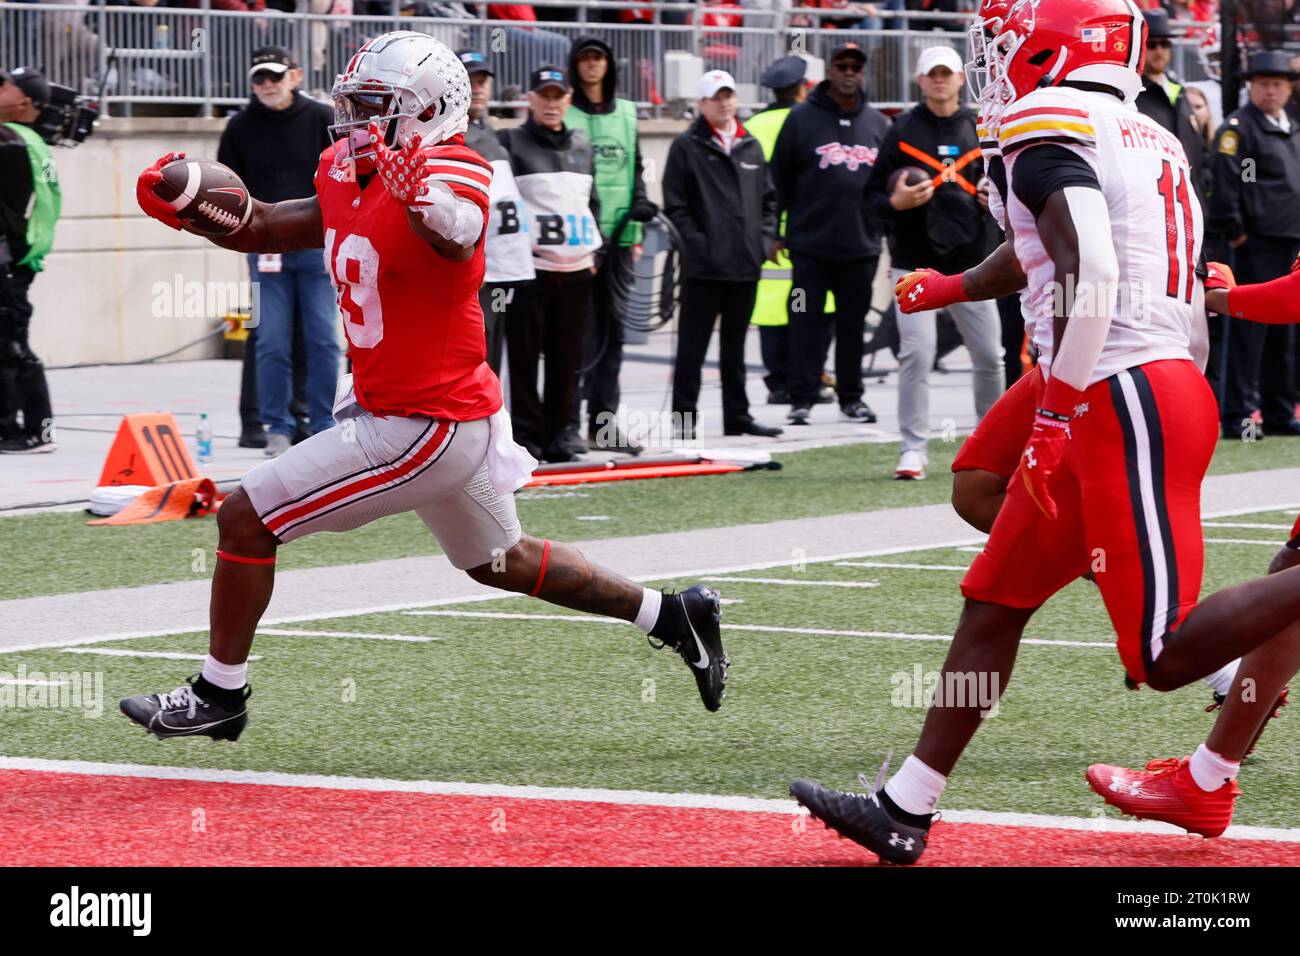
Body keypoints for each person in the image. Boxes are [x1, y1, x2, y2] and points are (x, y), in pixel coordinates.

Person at [790, 0, 1300, 865]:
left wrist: (1058, 407)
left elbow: (1089, 265)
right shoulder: (1148, 131)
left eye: (1004, 43)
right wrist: (957, 293)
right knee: (996, 597)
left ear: (1058, 43)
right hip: (1143, 381)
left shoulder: (1049, 116)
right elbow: (1054, 251)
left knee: (1161, 654)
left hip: (1122, 389)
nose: (997, 63)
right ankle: (906, 805)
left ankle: (1207, 696)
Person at [122, 33, 729, 743]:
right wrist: (199, 209)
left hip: (423, 422)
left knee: (245, 518)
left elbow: (458, 230)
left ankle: (219, 693)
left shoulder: (455, 167)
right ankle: (672, 613)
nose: (353, 118)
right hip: (432, 413)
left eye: (373, 105)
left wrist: (423, 203)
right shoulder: (350, 169)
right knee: (499, 561)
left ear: (426, 109)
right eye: (353, 102)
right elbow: (270, 225)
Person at [867, 45, 1004, 481]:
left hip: (973, 263)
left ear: (960, 78)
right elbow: (870, 196)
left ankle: (989, 443)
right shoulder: (901, 128)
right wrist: (896, 199)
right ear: (921, 80)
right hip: (912, 260)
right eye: (932, 74)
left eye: (947, 73)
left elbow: (1014, 184)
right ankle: (913, 447)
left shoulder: (983, 125)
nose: (940, 80)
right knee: (916, 355)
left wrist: (995, 198)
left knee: (990, 356)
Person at [218, 46, 339, 458]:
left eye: (275, 76)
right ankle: (278, 427)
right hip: (266, 250)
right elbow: (226, 188)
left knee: (323, 339)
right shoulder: (239, 126)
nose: (267, 85)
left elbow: (343, 173)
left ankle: (324, 424)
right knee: (271, 340)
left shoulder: (323, 118)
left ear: (296, 75)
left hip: (317, 246)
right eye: (259, 79)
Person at [770, 40, 890, 427]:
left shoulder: (879, 124)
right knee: (804, 320)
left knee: (853, 327)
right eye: (843, 65)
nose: (850, 71)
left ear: (863, 71)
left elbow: (887, 185)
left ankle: (851, 398)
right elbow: (777, 181)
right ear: (830, 71)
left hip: (860, 248)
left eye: (857, 65)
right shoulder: (801, 118)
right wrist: (774, 231)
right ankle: (801, 397)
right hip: (808, 249)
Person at [664, 70, 782, 440]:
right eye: (716, 97)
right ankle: (684, 424)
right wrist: (701, 248)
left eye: (728, 95)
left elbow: (769, 202)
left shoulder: (751, 144)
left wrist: (762, 244)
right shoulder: (686, 146)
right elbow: (676, 208)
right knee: (691, 350)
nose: (724, 102)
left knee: (735, 349)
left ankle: (738, 417)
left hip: (745, 265)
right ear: (702, 104)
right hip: (703, 269)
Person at [499, 66, 604, 463]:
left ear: (569, 98)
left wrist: (599, 251)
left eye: (558, 95)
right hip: (532, 271)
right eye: (544, 95)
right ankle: (527, 436)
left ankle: (562, 433)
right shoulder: (512, 142)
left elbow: (591, 204)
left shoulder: (583, 143)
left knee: (568, 358)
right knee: (524, 360)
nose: (551, 103)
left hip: (577, 271)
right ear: (530, 98)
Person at [565, 36, 658, 456]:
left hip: (620, 238)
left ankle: (603, 423)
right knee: (579, 335)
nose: (591, 66)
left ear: (608, 65)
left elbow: (636, 164)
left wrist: (640, 197)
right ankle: (567, 423)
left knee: (614, 334)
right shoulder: (565, 112)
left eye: (598, 58)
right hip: (580, 242)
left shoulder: (626, 113)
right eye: (584, 59)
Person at [1209, 50, 1300, 439]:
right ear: (1251, 86)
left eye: (1277, 85)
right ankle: (1240, 415)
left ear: (1288, 89)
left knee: (1285, 333)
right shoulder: (1238, 128)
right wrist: (1239, 229)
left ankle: (1280, 410)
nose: (1271, 91)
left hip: (1290, 240)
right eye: (1263, 84)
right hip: (1258, 242)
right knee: (1249, 331)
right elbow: (1236, 178)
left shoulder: (1292, 127)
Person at [746, 54, 833, 407]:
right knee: (813, 311)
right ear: (801, 88)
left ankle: (778, 383)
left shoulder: (752, 127)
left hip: (767, 234)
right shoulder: (811, 120)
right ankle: (810, 379)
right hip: (810, 232)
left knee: (771, 311)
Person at [458, 48, 534, 377]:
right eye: (469, 80)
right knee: (475, 351)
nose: (477, 87)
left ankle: (490, 424)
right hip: (471, 268)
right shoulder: (449, 135)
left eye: (482, 80)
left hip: (502, 267)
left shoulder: (492, 133)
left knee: (494, 353)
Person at [0, 67, 60, 454]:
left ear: (25, 101)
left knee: (10, 347)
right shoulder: (30, 140)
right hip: (17, 259)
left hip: (8, 261)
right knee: (10, 343)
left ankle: (27, 432)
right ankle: (34, 429)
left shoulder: (11, 141)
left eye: (4, 86)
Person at [1134, 9, 1207, 210]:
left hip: (1193, 210)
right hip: (1155, 209)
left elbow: (1201, 154)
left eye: (1165, 44)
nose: (1159, 50)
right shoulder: (1130, 96)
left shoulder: (1181, 93)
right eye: (1152, 44)